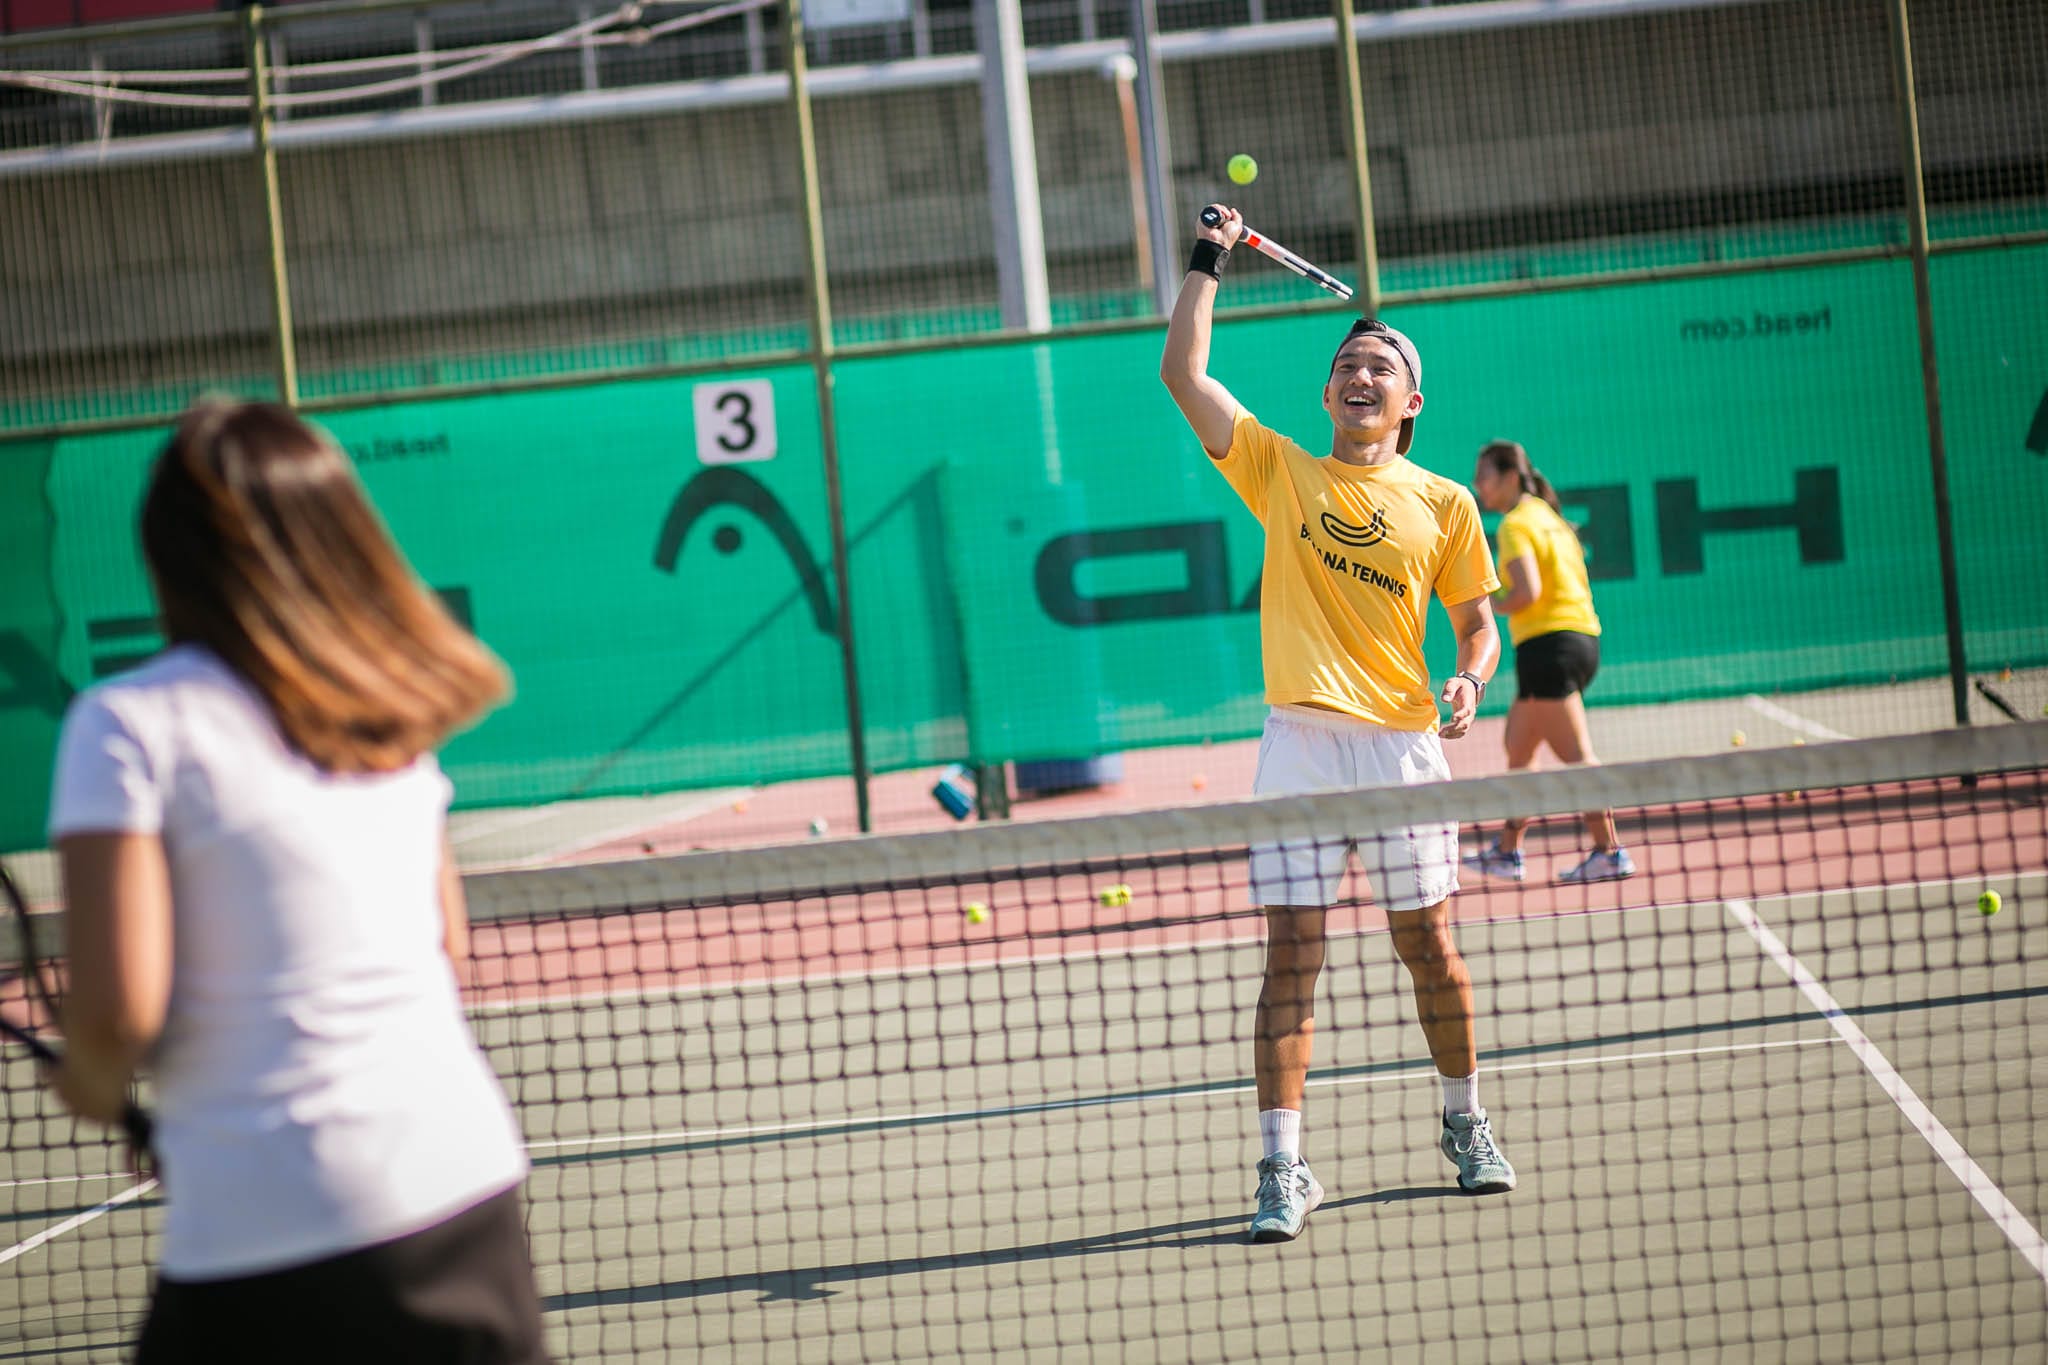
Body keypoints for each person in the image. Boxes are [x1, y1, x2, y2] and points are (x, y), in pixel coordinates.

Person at [46, 400, 550, 1363]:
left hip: (276, 1228)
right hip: (468, 1183)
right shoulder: (389, 711)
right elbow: (447, 945)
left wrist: (95, 1084)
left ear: (167, 559)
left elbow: (117, 1020)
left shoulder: (127, 722)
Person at [1159, 205, 1516, 1244]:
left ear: (1409, 401)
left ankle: (1464, 1124)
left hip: (1401, 746)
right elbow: (1183, 375)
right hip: (1299, 746)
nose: (1359, 375)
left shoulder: (1446, 502)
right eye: (1345, 364)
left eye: (1379, 366)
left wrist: (1469, 680)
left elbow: (1478, 625)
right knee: (1290, 960)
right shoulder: (1278, 470)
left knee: (1430, 950)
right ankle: (1281, 1166)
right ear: (1326, 393)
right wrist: (1206, 261)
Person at [1464, 439, 1635, 885]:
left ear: (1508, 478)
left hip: (1550, 649)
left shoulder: (1517, 524)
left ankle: (1609, 851)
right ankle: (1507, 851)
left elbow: (1525, 593)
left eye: (1484, 475)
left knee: (1578, 758)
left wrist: (1482, 602)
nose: (1477, 484)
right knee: (1518, 747)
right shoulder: (1550, 517)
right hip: (1577, 642)